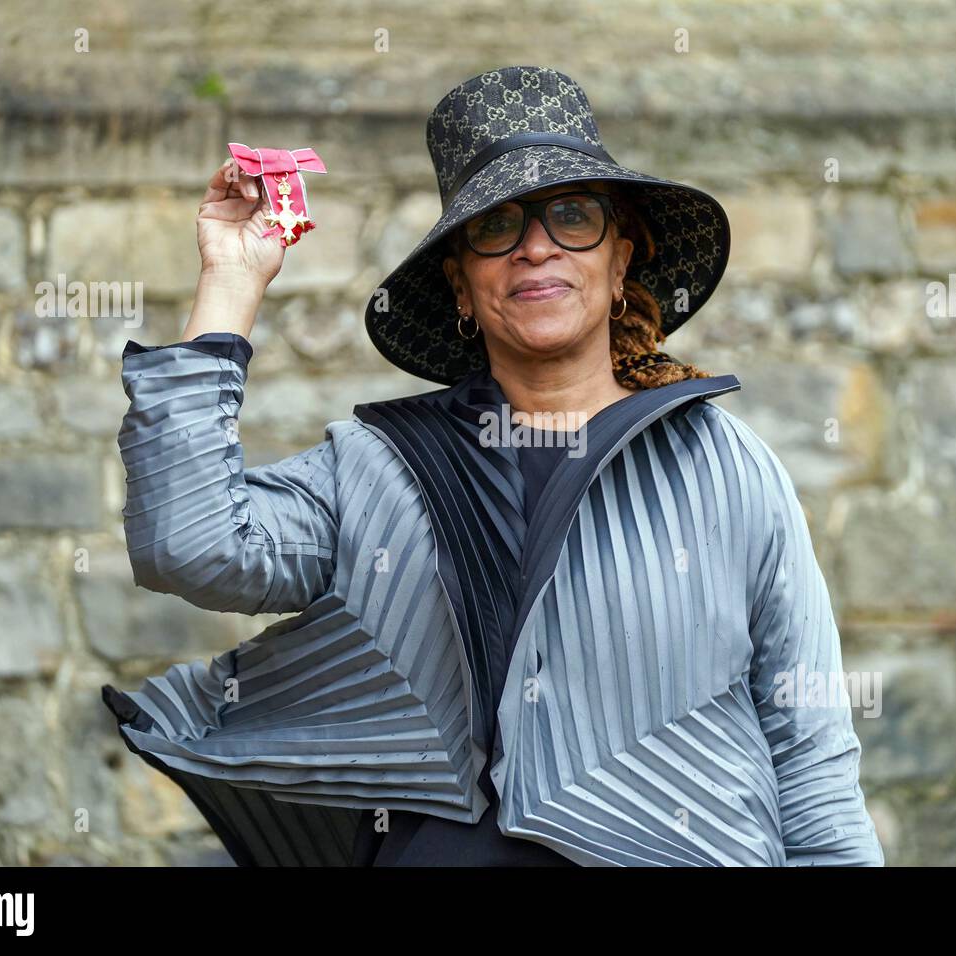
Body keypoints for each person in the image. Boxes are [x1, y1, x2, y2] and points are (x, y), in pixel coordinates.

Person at [102, 65, 885, 867]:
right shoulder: (378, 467)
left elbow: (811, 750)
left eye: (572, 216)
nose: (536, 247)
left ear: (622, 264)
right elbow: (189, 544)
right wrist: (230, 283)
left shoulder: (724, 468)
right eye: (495, 226)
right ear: (463, 289)